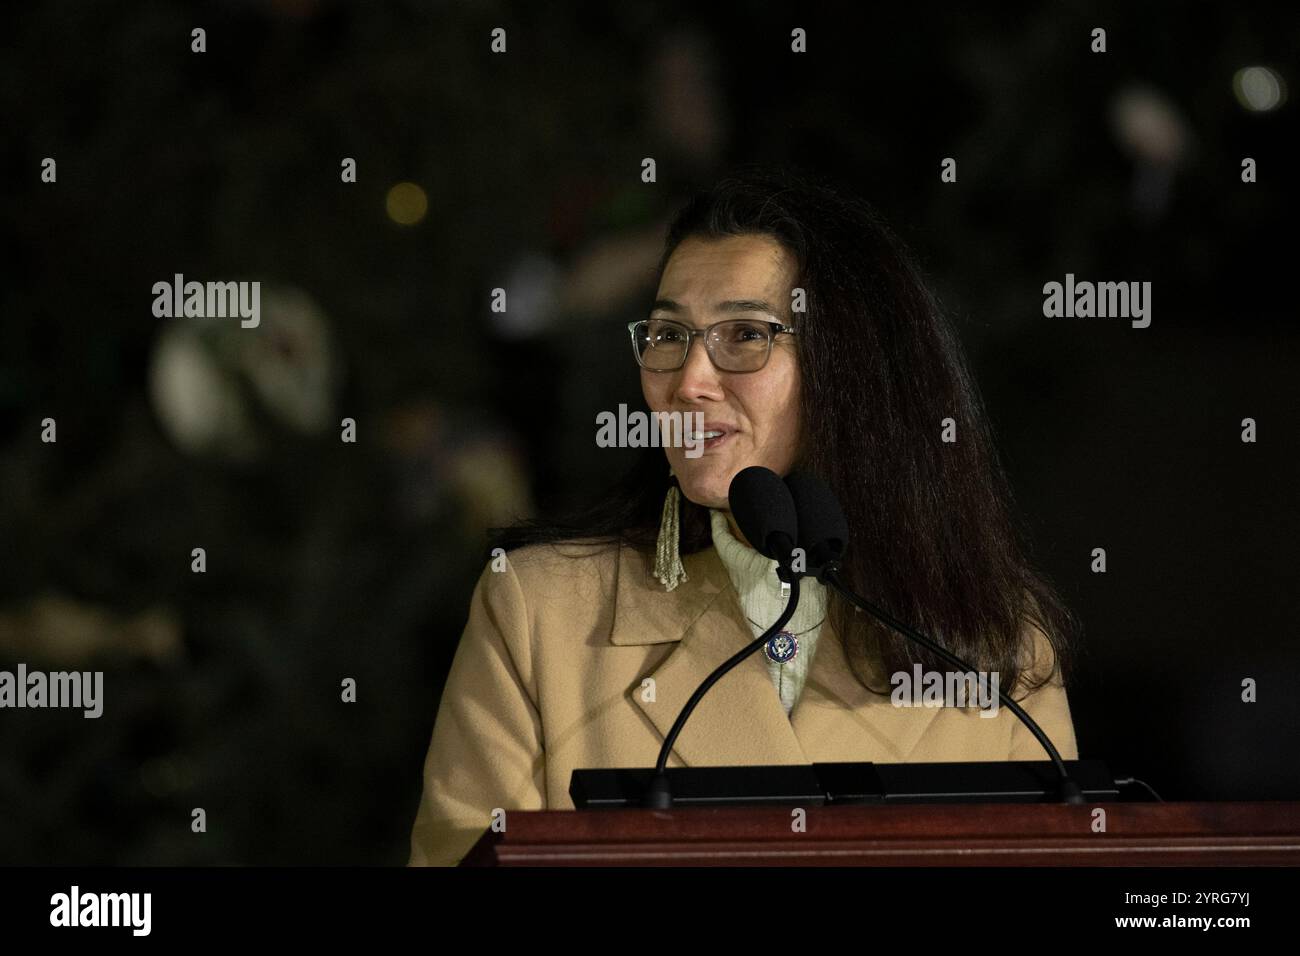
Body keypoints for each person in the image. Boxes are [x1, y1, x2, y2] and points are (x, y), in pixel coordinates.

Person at [407, 165, 1081, 866]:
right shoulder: (539, 609)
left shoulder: (991, 634)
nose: (688, 381)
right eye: (669, 334)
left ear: (847, 366)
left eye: (743, 335)